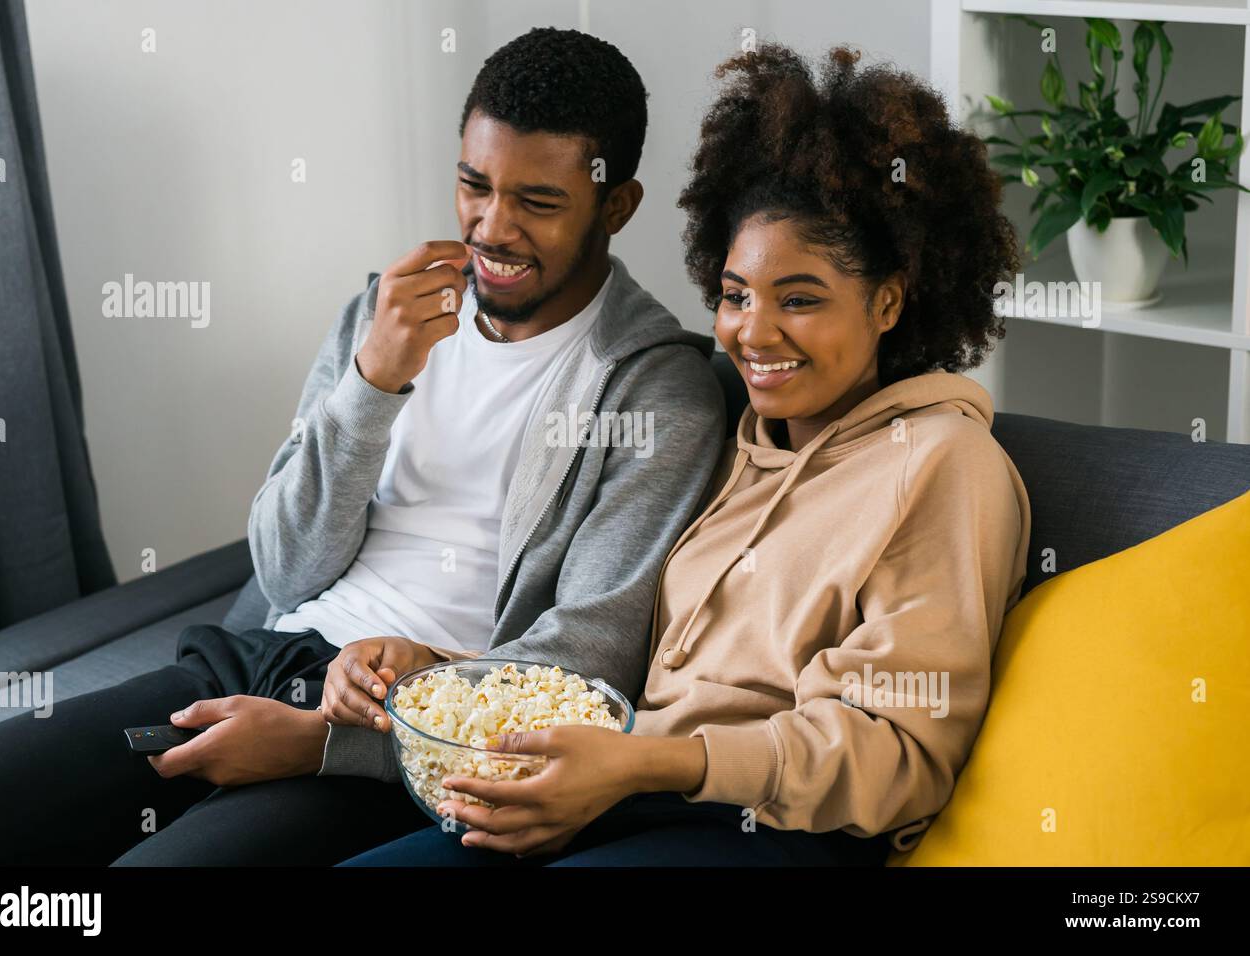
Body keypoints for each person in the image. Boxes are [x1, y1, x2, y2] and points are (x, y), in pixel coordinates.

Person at [0, 28, 724, 866]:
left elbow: (588, 655)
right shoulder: (383, 313)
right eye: (473, 185)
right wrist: (372, 383)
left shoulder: (657, 390)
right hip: (250, 664)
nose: (490, 229)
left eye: (537, 203)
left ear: (616, 205)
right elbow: (282, 569)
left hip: (406, 733)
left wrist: (350, 719)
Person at [339, 43, 1032, 868]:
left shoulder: (945, 463)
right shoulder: (739, 449)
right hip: (627, 787)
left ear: (888, 300)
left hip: (777, 830)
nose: (752, 332)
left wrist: (648, 762)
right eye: (736, 295)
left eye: (800, 299)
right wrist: (440, 669)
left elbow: (900, 751)